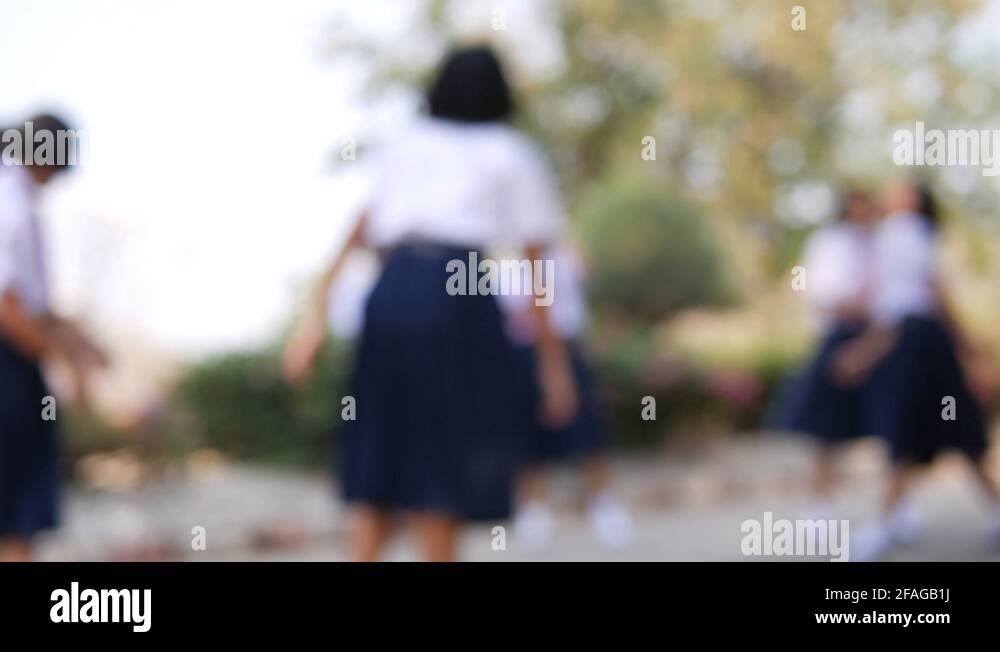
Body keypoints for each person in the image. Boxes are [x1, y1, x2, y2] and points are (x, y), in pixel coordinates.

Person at [283, 47, 578, 562]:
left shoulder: (407, 142)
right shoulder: (511, 151)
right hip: (456, 288)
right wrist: (554, 365)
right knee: (443, 451)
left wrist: (315, 317)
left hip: (393, 290)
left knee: (383, 445)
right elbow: (537, 270)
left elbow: (359, 228)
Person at [833, 180, 1000, 560]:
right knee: (954, 430)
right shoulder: (897, 235)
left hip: (917, 344)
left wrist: (967, 346)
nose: (889, 192)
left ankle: (883, 524)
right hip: (916, 342)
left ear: (914, 201)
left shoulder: (902, 230)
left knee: (908, 430)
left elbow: (925, 295)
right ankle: (894, 517)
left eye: (901, 189)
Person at [0, 113, 106, 561]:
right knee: (14, 510)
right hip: (9, 366)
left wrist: (82, 344)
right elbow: (8, 306)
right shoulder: (9, 199)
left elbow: (35, 306)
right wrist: (69, 359)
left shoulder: (19, 198)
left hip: (19, 364)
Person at [502, 242, 634, 551]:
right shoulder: (504, 264)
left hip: (565, 345)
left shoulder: (564, 257)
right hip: (522, 352)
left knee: (586, 428)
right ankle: (533, 508)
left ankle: (603, 503)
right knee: (525, 434)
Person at [770, 189, 876, 515]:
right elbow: (825, 297)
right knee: (827, 430)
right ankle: (819, 506)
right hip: (841, 336)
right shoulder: (830, 243)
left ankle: (895, 507)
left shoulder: (877, 244)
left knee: (893, 421)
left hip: (878, 337)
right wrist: (860, 305)